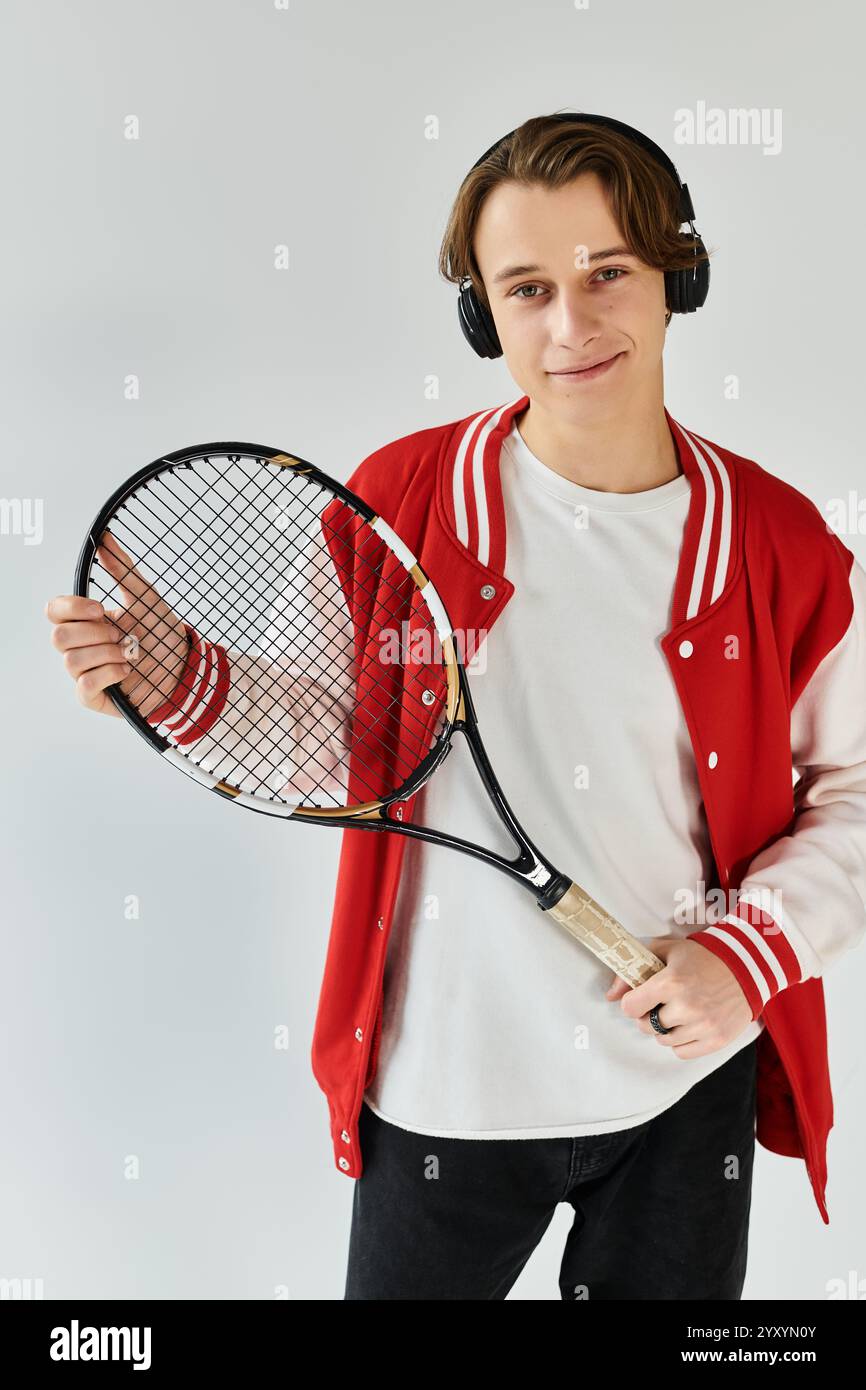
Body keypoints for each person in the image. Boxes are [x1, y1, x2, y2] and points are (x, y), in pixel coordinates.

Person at [45, 112, 866, 1300]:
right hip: (448, 1091)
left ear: (676, 274)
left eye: (608, 274)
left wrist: (744, 960)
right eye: (525, 288)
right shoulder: (404, 500)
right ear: (482, 314)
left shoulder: (780, 544)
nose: (569, 324)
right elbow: (338, 745)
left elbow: (851, 794)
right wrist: (187, 679)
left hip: (687, 1090)